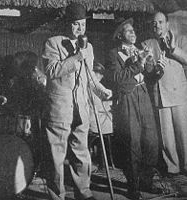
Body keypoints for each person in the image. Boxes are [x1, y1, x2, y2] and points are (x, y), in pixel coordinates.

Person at [42, 3, 112, 200]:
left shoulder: (88, 46)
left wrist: (102, 91)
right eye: (75, 24)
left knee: (81, 152)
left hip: (81, 107)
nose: (80, 29)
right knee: (56, 155)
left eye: (82, 24)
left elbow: (90, 77)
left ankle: (84, 192)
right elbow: (52, 71)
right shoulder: (53, 42)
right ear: (67, 24)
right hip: (60, 107)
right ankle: (57, 195)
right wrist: (76, 57)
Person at [105, 18, 161, 200]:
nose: (133, 33)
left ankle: (146, 181)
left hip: (143, 95)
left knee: (151, 141)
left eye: (133, 30)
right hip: (127, 97)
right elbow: (116, 78)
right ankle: (133, 186)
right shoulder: (113, 54)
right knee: (132, 142)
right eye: (128, 31)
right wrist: (138, 63)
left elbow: (150, 75)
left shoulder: (140, 50)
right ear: (120, 35)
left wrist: (157, 68)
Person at [142, 11, 187, 176]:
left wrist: (173, 49)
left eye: (160, 22)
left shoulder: (181, 39)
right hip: (161, 93)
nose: (157, 26)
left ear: (167, 24)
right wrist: (155, 70)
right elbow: (147, 71)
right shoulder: (147, 44)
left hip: (180, 93)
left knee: (184, 133)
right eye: (154, 23)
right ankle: (173, 167)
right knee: (166, 135)